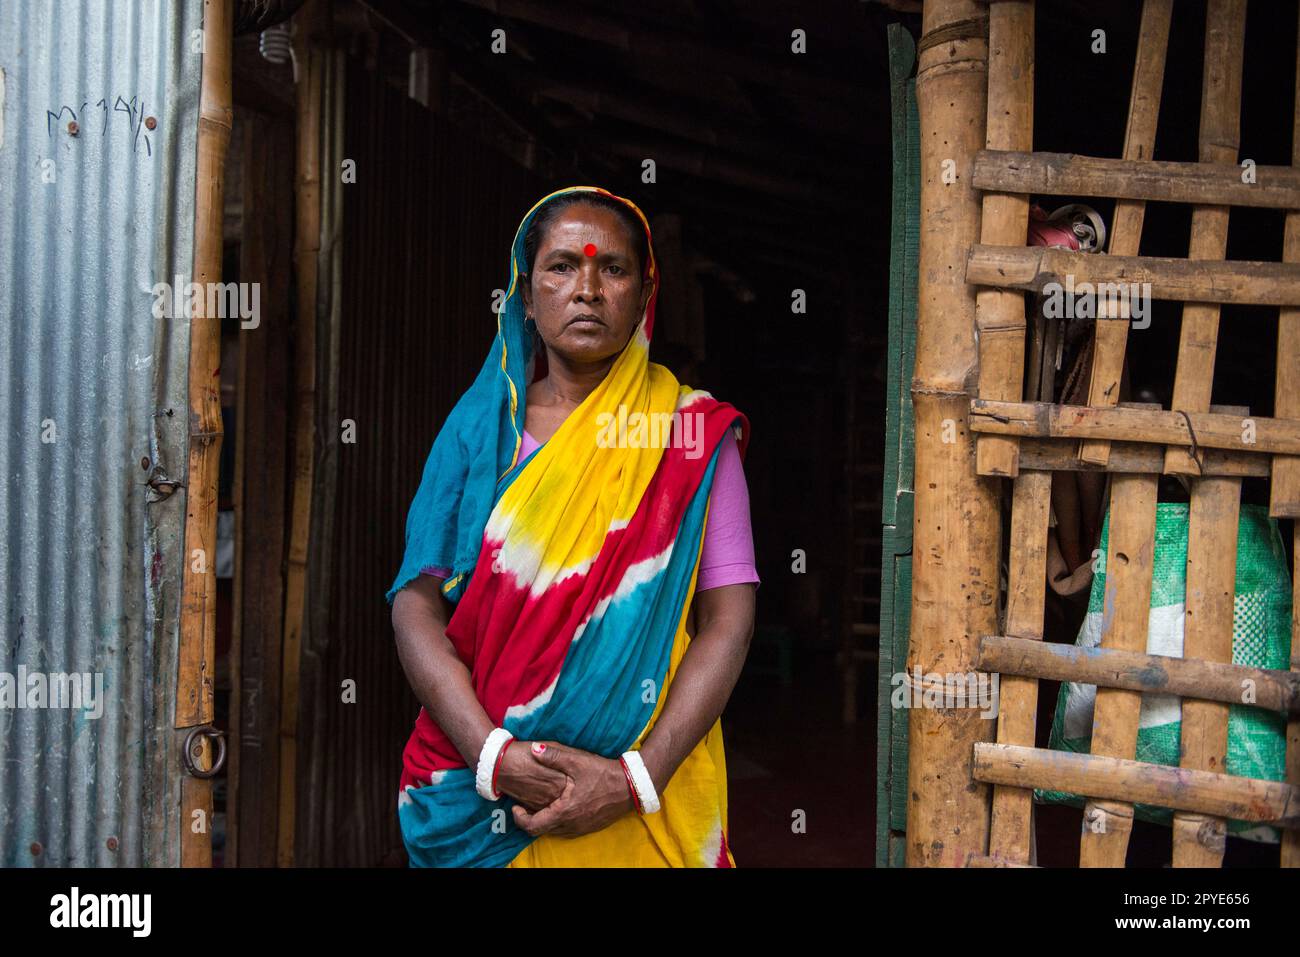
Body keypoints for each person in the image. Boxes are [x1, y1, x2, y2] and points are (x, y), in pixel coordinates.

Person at [387, 186, 759, 867]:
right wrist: (492, 754)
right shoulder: (477, 434)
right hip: (479, 806)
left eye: (612, 268)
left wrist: (635, 779)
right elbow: (415, 605)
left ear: (645, 294)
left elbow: (728, 623)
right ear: (525, 296)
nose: (586, 287)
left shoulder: (690, 436)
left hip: (641, 806)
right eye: (561, 267)